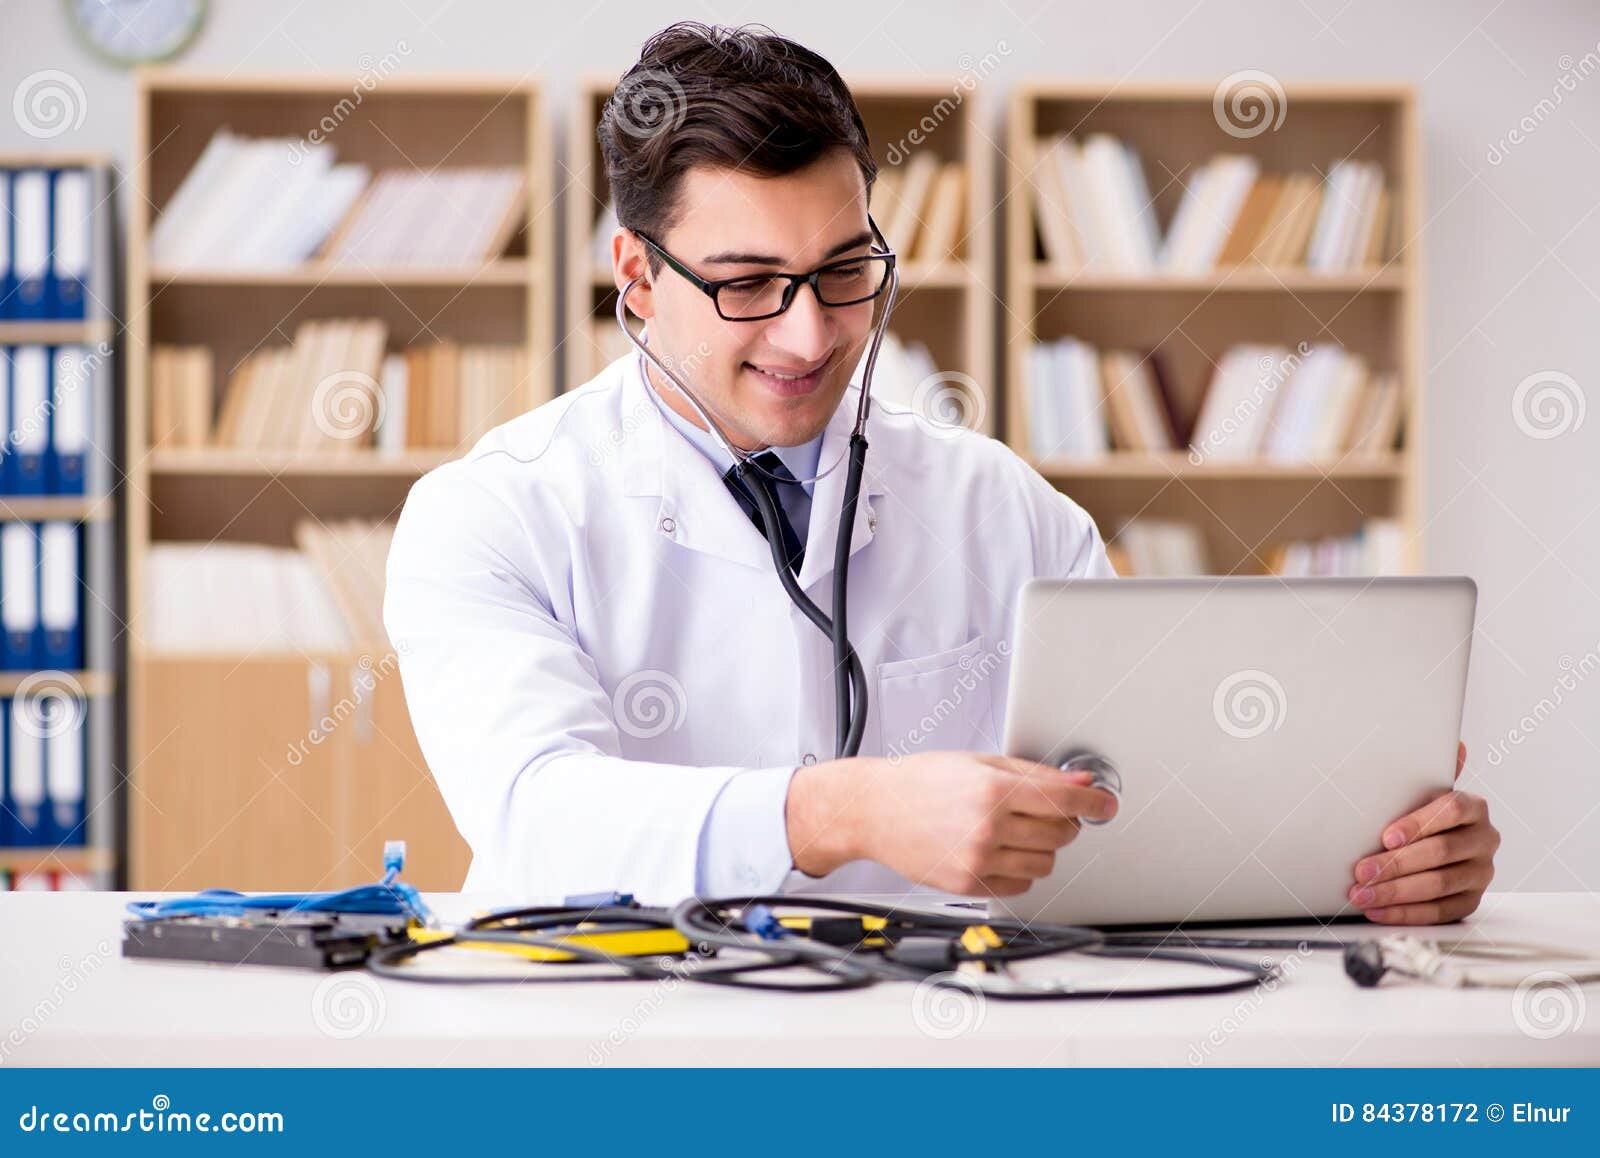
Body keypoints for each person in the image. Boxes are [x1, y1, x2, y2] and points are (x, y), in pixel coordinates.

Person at [384, 22, 1499, 922]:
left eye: (844, 269)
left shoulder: (995, 503)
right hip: (613, 1050)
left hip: (932, 1045)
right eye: (747, 282)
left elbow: (1149, 810)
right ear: (635, 274)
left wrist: (1373, 857)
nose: (809, 336)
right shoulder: (492, 513)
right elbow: (535, 816)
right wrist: (838, 813)